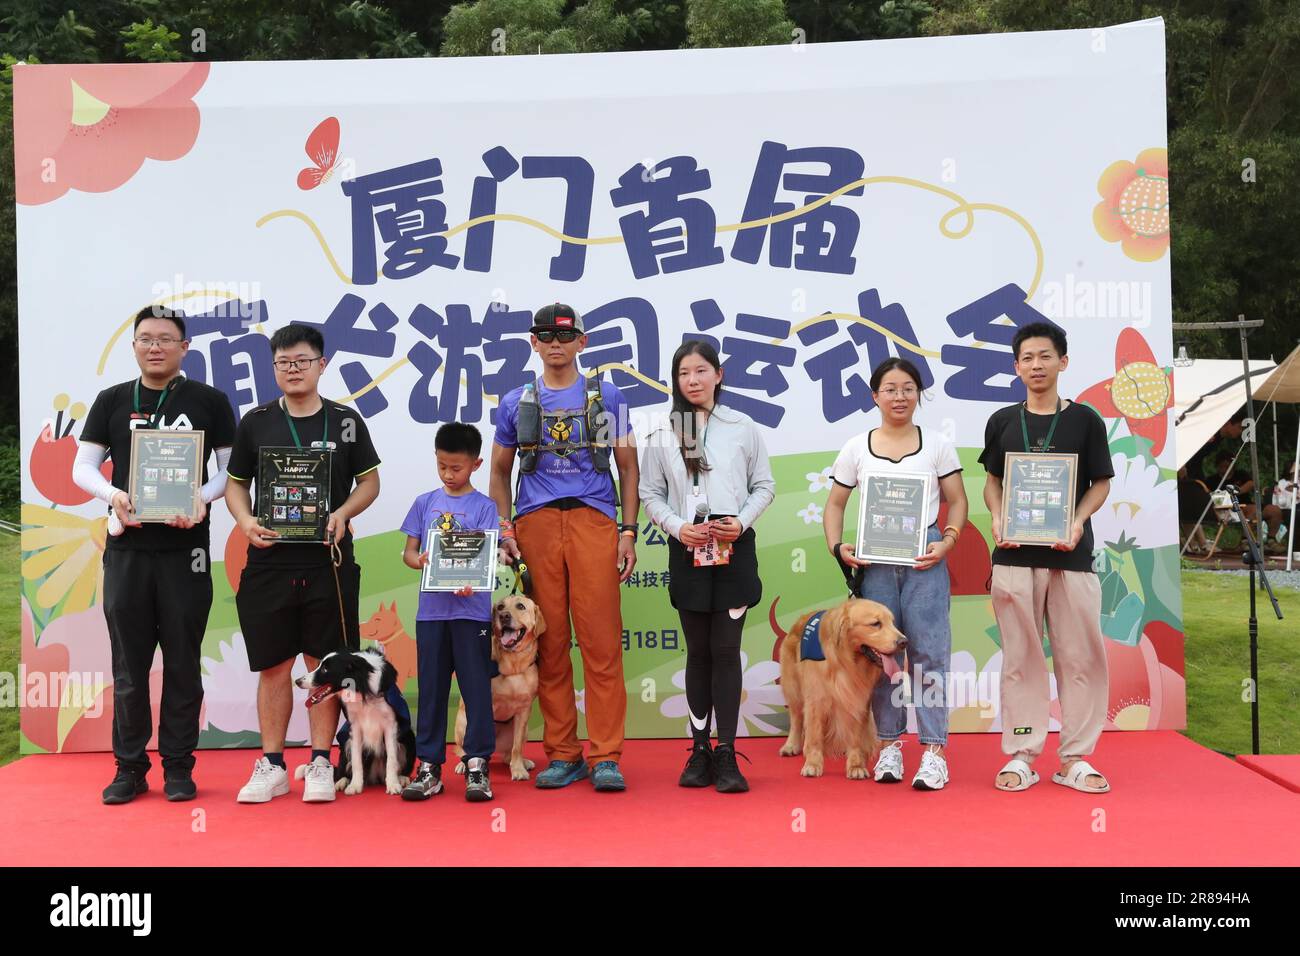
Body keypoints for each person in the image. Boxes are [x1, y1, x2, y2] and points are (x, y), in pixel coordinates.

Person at [75, 306, 237, 804]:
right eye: (145, 338)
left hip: (185, 551)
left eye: (165, 339)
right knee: (129, 666)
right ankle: (129, 767)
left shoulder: (209, 400)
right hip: (127, 548)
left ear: (184, 347)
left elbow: (230, 473)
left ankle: (178, 766)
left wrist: (199, 499)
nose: (155, 347)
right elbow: (84, 469)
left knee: (184, 663)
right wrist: (113, 496)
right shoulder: (113, 399)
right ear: (135, 345)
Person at [224, 324, 381, 803]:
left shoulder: (346, 420)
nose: (292, 370)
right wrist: (246, 521)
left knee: (324, 663)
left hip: (328, 561)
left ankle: (318, 761)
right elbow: (235, 484)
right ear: (274, 368)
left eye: (302, 361)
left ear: (321, 365)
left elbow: (369, 483)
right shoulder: (255, 421)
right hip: (269, 560)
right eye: (283, 363)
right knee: (273, 665)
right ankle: (271, 763)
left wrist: (342, 513)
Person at [489, 303, 639, 793]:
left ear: (582, 341)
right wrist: (506, 528)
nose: (555, 344)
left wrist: (629, 529)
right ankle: (563, 754)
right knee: (548, 644)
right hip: (535, 524)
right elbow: (498, 471)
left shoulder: (607, 396)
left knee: (600, 644)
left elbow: (628, 467)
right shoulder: (516, 401)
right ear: (534, 342)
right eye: (545, 336)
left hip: (594, 520)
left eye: (565, 335)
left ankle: (606, 756)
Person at [980, 321, 1113, 794]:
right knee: (1021, 659)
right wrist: (997, 517)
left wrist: (1076, 521)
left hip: (1071, 557)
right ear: (1016, 367)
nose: (1036, 365)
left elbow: (1100, 483)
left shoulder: (1086, 421)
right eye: (1027, 358)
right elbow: (993, 483)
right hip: (1014, 557)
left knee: (1080, 658)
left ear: (1063, 361)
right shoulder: (1001, 421)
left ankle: (1075, 756)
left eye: (1045, 356)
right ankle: (1021, 753)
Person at [822, 357, 967, 791]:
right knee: (883, 660)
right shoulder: (855, 447)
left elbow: (957, 500)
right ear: (875, 396)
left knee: (928, 656)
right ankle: (888, 745)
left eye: (907, 388)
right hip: (876, 562)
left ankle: (934, 751)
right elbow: (835, 505)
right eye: (890, 388)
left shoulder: (938, 445)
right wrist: (838, 547)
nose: (899, 396)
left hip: (925, 559)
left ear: (918, 394)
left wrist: (948, 540)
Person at [639, 341, 775, 793]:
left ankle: (727, 753)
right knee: (697, 653)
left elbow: (764, 486)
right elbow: (650, 495)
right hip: (689, 549)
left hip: (733, 548)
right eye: (683, 373)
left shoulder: (743, 427)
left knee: (725, 651)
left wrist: (742, 520)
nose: (692, 380)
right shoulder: (662, 430)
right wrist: (679, 529)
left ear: (719, 374)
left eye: (701, 371)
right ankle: (699, 750)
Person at [398, 423, 498, 802]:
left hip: (472, 613)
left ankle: (477, 765)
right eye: (442, 466)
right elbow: (408, 553)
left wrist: (474, 577)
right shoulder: (425, 503)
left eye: (456, 468)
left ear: (476, 464)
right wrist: (421, 560)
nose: (448, 475)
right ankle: (428, 767)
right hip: (432, 614)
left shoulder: (485, 507)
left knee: (476, 691)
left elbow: (487, 560)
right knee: (432, 691)